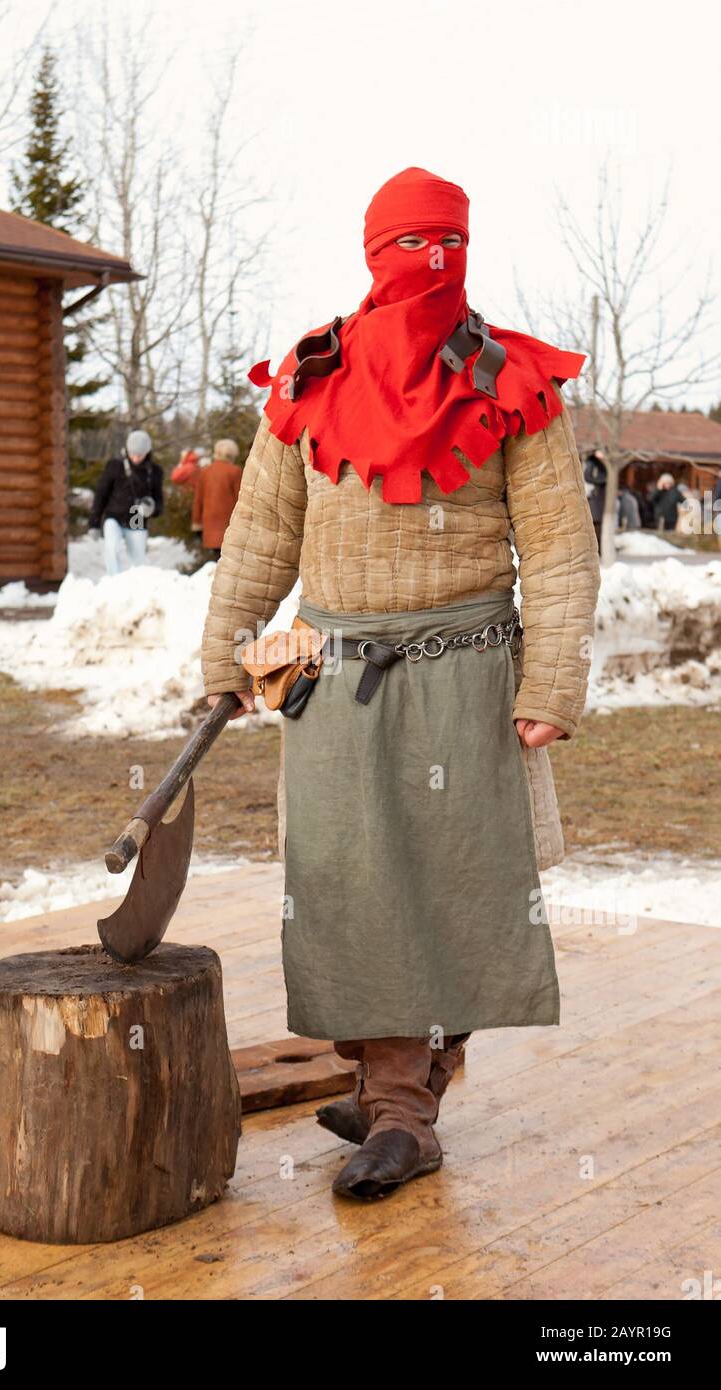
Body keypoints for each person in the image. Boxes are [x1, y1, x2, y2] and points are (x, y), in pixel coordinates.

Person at [200, 168, 600, 1200]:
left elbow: (558, 551)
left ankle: (400, 1109)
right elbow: (261, 534)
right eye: (406, 245)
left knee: (458, 889)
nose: (426, 266)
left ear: (464, 248)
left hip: (467, 673)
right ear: (371, 252)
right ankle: (395, 1083)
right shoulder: (311, 375)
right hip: (331, 679)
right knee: (344, 886)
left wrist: (548, 680)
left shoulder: (510, 381)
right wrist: (223, 660)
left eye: (443, 245)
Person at [89, 429, 163, 575]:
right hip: (114, 516)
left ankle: (136, 587)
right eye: (132, 454)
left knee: (138, 560)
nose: (135, 458)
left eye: (139, 455)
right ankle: (113, 580)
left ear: (147, 453)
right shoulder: (115, 466)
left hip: (137, 517)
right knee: (111, 548)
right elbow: (101, 494)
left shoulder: (154, 472)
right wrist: (94, 523)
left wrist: (152, 508)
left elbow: (159, 502)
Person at [191, 438, 242, 557]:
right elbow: (240, 499)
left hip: (209, 523)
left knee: (216, 558)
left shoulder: (205, 471)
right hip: (229, 523)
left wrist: (196, 522)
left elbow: (198, 500)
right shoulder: (235, 471)